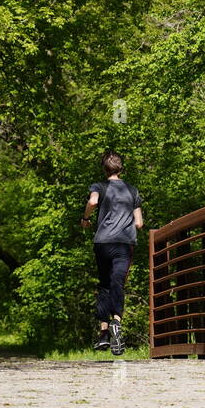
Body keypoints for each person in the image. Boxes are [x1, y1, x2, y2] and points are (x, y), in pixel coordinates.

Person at [81, 151, 142, 356]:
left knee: (104, 285)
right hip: (124, 244)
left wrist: (86, 219)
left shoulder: (99, 186)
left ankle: (103, 334)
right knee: (118, 283)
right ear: (121, 168)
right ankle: (116, 321)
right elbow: (139, 223)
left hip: (103, 242)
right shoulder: (132, 190)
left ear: (104, 169)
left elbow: (92, 202)